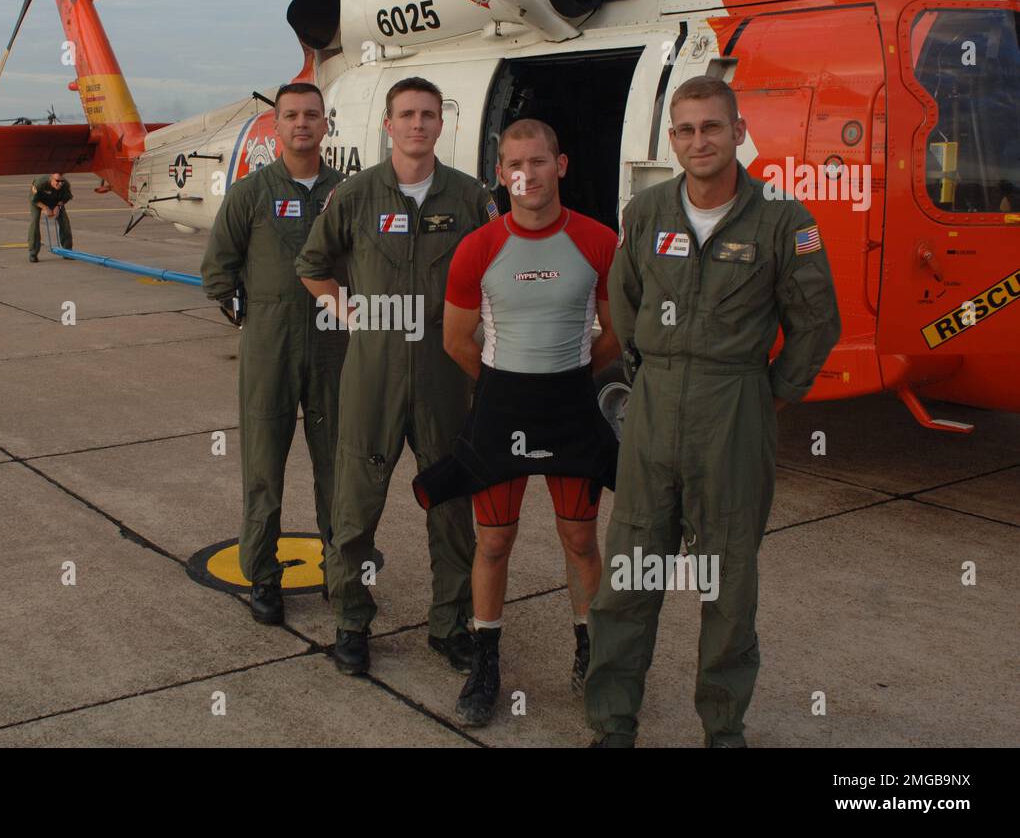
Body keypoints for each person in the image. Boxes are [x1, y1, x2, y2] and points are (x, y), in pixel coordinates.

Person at [585, 75, 841, 747]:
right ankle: (612, 718)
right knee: (629, 570)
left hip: (735, 407)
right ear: (671, 139)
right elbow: (627, 302)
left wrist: (771, 392)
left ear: (737, 130)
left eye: (712, 127)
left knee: (727, 581)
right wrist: (648, 376)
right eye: (686, 129)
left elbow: (817, 322)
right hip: (654, 408)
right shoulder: (646, 214)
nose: (699, 140)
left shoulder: (783, 217)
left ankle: (724, 725)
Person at [412, 119, 620, 726]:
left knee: (581, 539)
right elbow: (455, 340)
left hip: (572, 409)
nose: (525, 173)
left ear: (561, 165)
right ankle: (486, 661)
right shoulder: (479, 247)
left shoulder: (599, 241)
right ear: (500, 175)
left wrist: (567, 378)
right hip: (502, 413)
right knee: (495, 542)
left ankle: (590, 654)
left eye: (538, 160)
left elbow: (617, 333)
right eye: (513, 164)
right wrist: (509, 387)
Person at [296, 77, 499, 676]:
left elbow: (496, 269)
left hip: (445, 374)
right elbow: (312, 265)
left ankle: (451, 624)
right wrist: (345, 311)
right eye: (406, 114)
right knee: (357, 508)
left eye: (428, 115)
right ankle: (352, 623)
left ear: (442, 124)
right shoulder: (355, 195)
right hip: (373, 374)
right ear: (388, 125)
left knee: (452, 506)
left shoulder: (470, 198)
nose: (417, 124)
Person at [200, 82, 346, 625]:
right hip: (270, 347)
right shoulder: (251, 192)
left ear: (325, 124)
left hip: (336, 346)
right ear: (278, 126)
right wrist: (251, 317)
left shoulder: (348, 193)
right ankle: (263, 575)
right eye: (291, 115)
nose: (302, 123)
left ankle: (342, 571)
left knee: (339, 466)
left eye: (312, 114)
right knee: (263, 467)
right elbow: (218, 267)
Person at [28, 172, 73, 262]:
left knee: (65, 222)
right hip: (38, 202)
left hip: (55, 201)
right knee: (35, 221)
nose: (60, 183)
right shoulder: (40, 183)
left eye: (62, 181)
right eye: (57, 181)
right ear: (51, 179)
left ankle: (67, 251)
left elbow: (66, 197)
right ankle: (33, 253)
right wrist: (45, 208)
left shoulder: (65, 184)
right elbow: (34, 199)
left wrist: (58, 207)